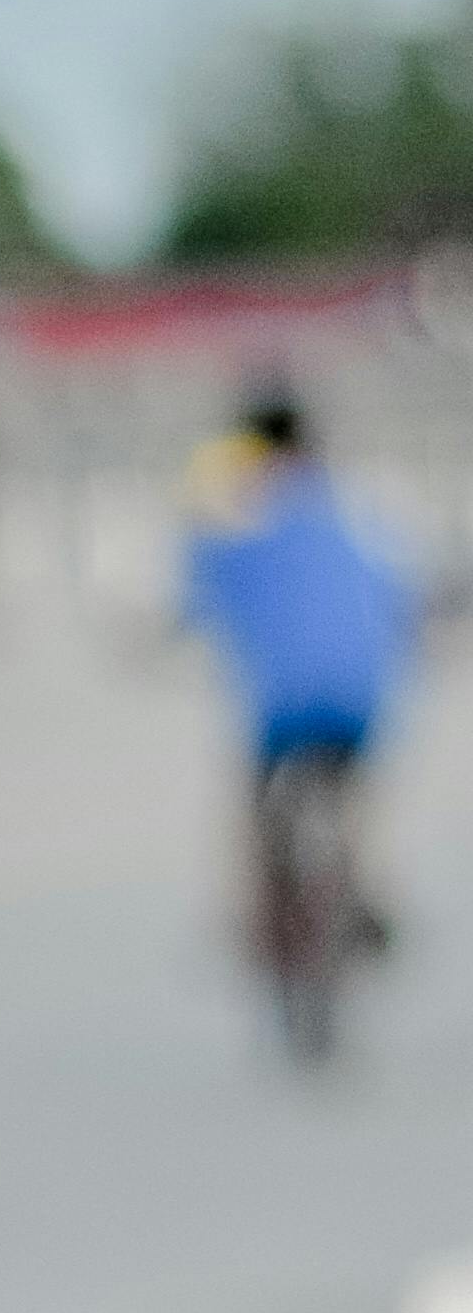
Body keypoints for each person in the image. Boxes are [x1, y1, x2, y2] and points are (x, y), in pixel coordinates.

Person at [181, 390, 415, 1001]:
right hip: (361, 704)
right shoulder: (363, 510)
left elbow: (196, 603)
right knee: (354, 796)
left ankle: (265, 923)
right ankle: (359, 894)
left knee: (259, 814)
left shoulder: (238, 520)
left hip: (280, 711)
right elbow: (403, 594)